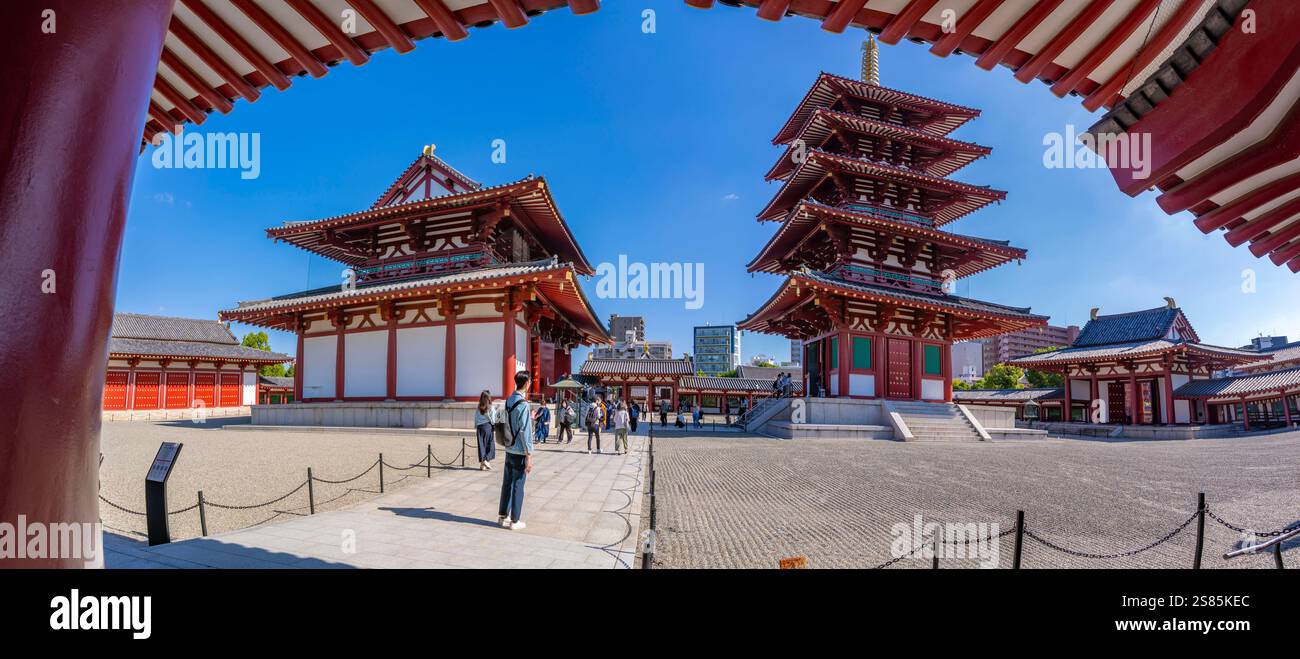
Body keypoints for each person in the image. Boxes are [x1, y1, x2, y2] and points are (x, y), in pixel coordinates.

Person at [498, 371, 534, 530]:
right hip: (519, 450)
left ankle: (502, 515)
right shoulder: (524, 405)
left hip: (509, 447)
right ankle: (515, 520)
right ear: (527, 383)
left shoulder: (508, 401)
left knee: (506, 483)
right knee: (518, 484)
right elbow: (525, 432)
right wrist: (529, 455)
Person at [474, 390, 497, 471]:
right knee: (490, 445)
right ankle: (486, 461)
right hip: (487, 427)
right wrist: (494, 425)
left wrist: (476, 426)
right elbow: (493, 419)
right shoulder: (491, 407)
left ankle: (482, 465)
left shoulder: (478, 406)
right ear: (488, 398)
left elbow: (476, 417)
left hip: (479, 428)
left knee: (481, 445)